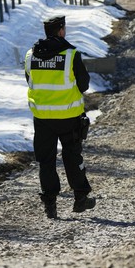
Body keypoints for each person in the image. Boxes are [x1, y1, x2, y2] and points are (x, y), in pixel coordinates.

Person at [24, 15, 95, 219]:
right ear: (61, 30)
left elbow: (29, 80)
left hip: (42, 117)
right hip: (69, 116)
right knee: (72, 157)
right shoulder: (71, 55)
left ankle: (50, 205)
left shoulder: (31, 55)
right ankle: (81, 197)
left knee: (46, 161)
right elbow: (84, 85)